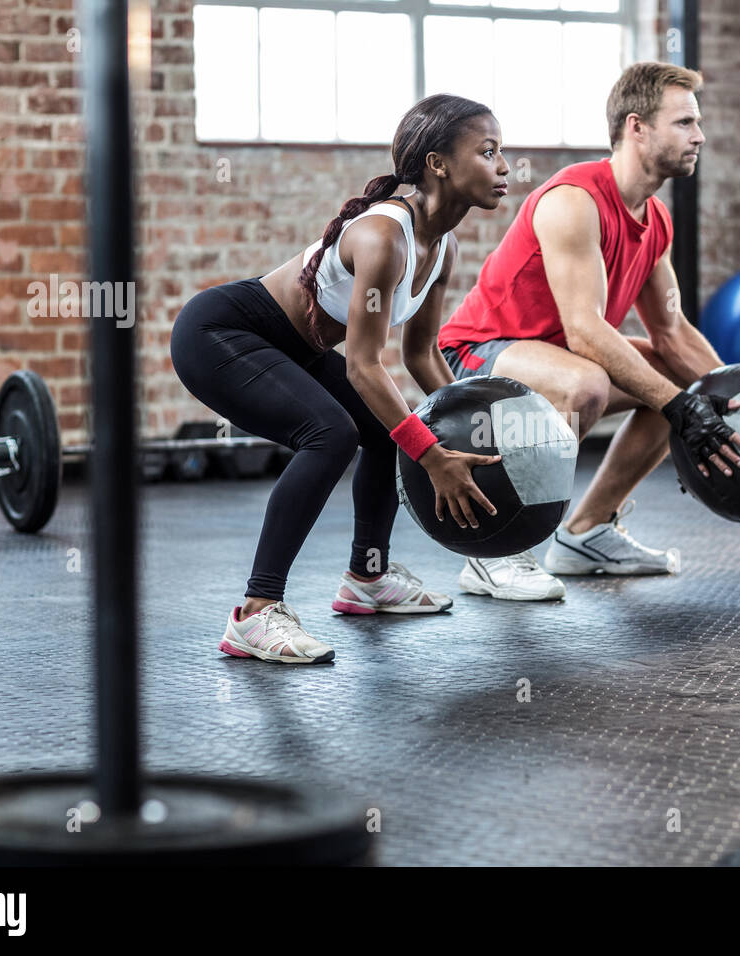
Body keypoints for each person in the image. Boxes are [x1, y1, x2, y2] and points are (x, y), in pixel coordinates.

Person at [170, 94, 512, 663]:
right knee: (332, 432)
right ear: (439, 164)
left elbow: (422, 353)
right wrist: (430, 455)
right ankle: (255, 614)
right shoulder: (384, 237)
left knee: (381, 430)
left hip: (291, 347)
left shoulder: (442, 245)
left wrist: (471, 425)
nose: (504, 166)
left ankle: (367, 578)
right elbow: (363, 363)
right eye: (488, 151)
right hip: (221, 334)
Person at [437, 63, 740, 602]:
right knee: (591, 386)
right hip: (474, 357)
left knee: (675, 383)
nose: (699, 136)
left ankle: (587, 532)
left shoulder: (655, 220)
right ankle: (496, 547)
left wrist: (735, 403)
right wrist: (680, 406)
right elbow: (584, 331)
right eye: (684, 122)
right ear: (637, 127)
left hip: (554, 360)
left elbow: (671, 333)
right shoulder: (574, 201)